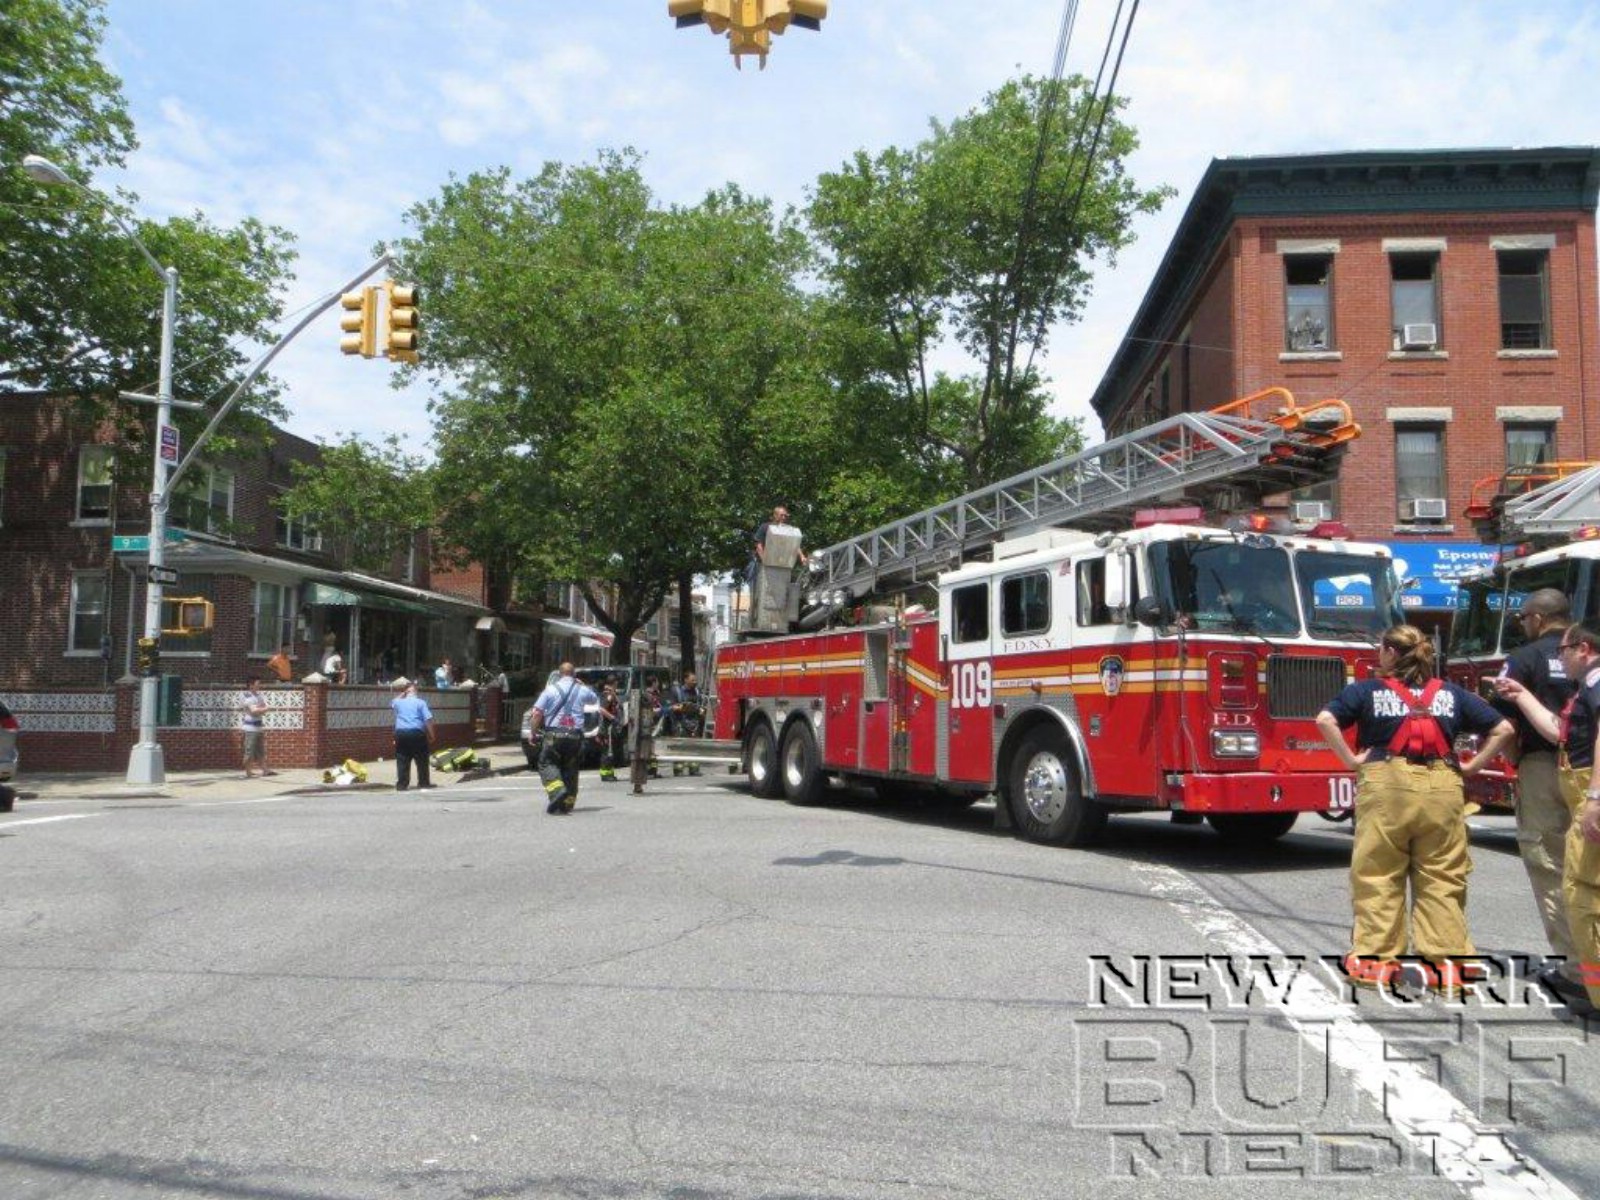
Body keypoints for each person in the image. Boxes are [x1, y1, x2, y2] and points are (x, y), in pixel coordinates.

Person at [1315, 624, 1514, 995]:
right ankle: (1449, 971)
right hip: (1443, 786)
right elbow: (1503, 728)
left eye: (1381, 648)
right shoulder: (1451, 693)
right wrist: (1471, 766)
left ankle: (1374, 966)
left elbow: (1325, 720)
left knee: (1378, 875)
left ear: (1391, 653)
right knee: (1443, 878)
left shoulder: (1366, 691)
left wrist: (1351, 760)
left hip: (1386, 783)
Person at [1494, 624, 1600, 1015]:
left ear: (1583, 648)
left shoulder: (1595, 682)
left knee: (1581, 889)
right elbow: (1560, 731)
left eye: (1565, 651)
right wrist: (1522, 696)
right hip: (1575, 783)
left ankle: (1588, 984)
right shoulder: (1583, 687)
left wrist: (1594, 799)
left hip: (1581, 788)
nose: (1560, 657)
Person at [529, 661, 598, 814]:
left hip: (554, 734)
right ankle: (567, 802)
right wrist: (582, 685)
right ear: (574, 675)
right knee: (571, 768)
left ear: (560, 674)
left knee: (546, 763)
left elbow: (537, 714)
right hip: (575, 736)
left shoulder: (550, 690)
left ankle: (557, 791)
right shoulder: (581, 689)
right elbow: (594, 699)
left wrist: (533, 733)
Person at [391, 679, 437, 791]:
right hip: (416, 733)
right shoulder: (420, 702)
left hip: (401, 733)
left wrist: (403, 693)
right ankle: (423, 783)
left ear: (406, 692)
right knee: (421, 759)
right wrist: (432, 735)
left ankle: (402, 785)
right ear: (416, 691)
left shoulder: (398, 702)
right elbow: (428, 720)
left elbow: (393, 702)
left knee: (402, 759)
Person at [662, 671, 706, 776]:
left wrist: (701, 710)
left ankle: (694, 769)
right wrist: (682, 707)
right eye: (692, 680)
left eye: (695, 680)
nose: (694, 682)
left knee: (694, 747)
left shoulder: (697, 691)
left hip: (694, 724)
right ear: (686, 680)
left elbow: (701, 705)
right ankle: (678, 769)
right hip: (680, 724)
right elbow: (671, 707)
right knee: (680, 747)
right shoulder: (676, 691)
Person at [747, 505, 807, 582]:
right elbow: (759, 546)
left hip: (779, 565)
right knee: (759, 589)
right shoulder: (765, 527)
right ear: (775, 515)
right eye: (781, 515)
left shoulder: (788, 530)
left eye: (785, 515)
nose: (784, 517)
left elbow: (794, 544)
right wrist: (765, 562)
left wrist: (802, 556)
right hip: (760, 564)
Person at [597, 676, 626, 782]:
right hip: (607, 727)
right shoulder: (608, 695)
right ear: (614, 683)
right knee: (607, 751)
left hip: (609, 727)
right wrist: (613, 718)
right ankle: (605, 774)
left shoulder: (611, 694)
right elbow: (602, 709)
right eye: (616, 684)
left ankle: (609, 772)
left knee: (609, 750)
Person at [239, 677, 269, 778]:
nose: (259, 686)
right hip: (250, 728)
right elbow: (253, 711)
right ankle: (248, 772)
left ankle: (265, 770)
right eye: (257, 684)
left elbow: (264, 709)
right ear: (251, 685)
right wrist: (262, 709)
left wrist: (261, 709)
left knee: (260, 750)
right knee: (249, 750)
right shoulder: (246, 696)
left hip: (259, 727)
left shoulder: (259, 696)